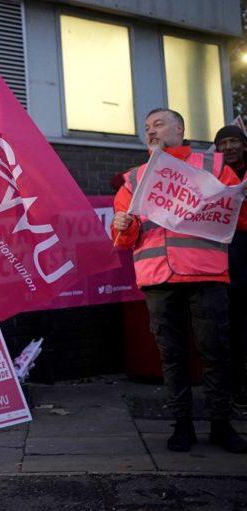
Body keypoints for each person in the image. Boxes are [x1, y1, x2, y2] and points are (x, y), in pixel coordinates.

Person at [112, 108, 247, 454]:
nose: (151, 132)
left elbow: (240, 219)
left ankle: (221, 424)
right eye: (146, 128)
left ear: (180, 128)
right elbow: (124, 240)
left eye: (158, 124)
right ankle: (182, 425)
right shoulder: (133, 179)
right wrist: (122, 226)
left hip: (206, 272)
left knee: (215, 352)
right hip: (158, 276)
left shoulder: (214, 167)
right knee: (172, 356)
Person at [215, 124, 247, 408]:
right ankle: (236, 385)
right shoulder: (211, 175)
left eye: (233, 141)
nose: (228, 147)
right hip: (226, 252)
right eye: (222, 143)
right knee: (233, 326)